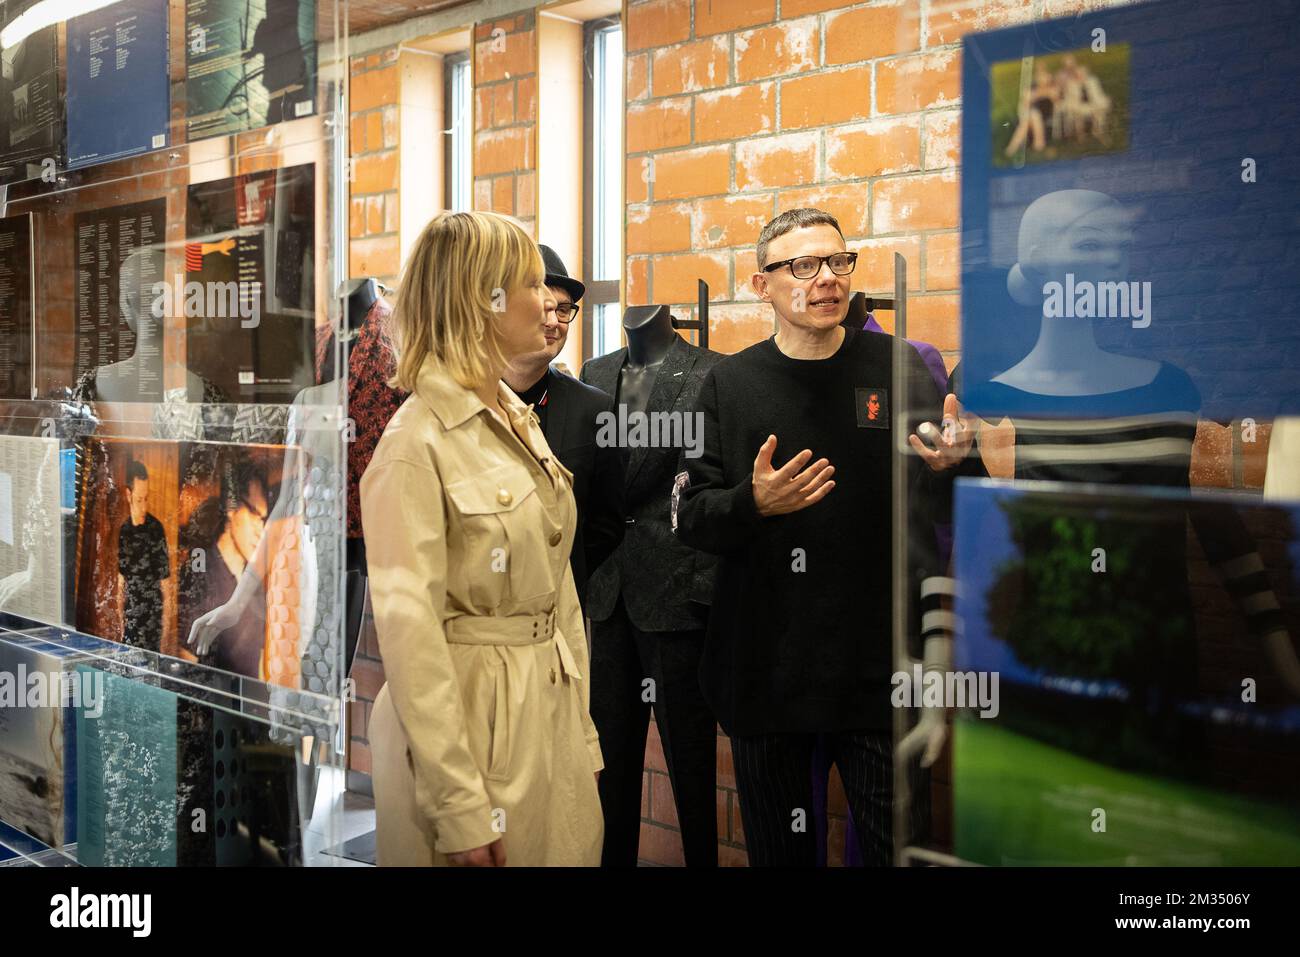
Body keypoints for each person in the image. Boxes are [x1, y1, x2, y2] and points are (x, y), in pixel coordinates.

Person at [673, 208, 970, 866]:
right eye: (802, 265)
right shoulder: (726, 383)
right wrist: (754, 502)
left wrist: (958, 464)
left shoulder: (901, 369)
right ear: (761, 284)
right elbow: (689, 515)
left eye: (838, 262)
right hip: (768, 671)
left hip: (881, 673)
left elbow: (947, 500)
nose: (826, 278)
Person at [361, 211, 603, 867]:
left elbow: (559, 589)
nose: (546, 298)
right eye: (528, 282)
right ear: (483, 302)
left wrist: (580, 729)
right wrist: (459, 803)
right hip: (470, 729)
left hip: (542, 713)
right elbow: (411, 642)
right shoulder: (414, 445)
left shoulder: (516, 419)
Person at [501, 245, 623, 609]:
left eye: (564, 309)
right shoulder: (466, 400)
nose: (554, 321)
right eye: (543, 307)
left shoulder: (595, 408)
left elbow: (606, 522)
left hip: (559, 606)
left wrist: (560, 572)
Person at [117, 461, 170, 652]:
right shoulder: (123, 531)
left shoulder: (156, 529)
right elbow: (120, 585)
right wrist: (121, 626)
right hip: (130, 623)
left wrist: (164, 636)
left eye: (146, 498)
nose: (144, 507)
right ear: (128, 495)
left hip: (153, 624)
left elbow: (166, 588)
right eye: (139, 500)